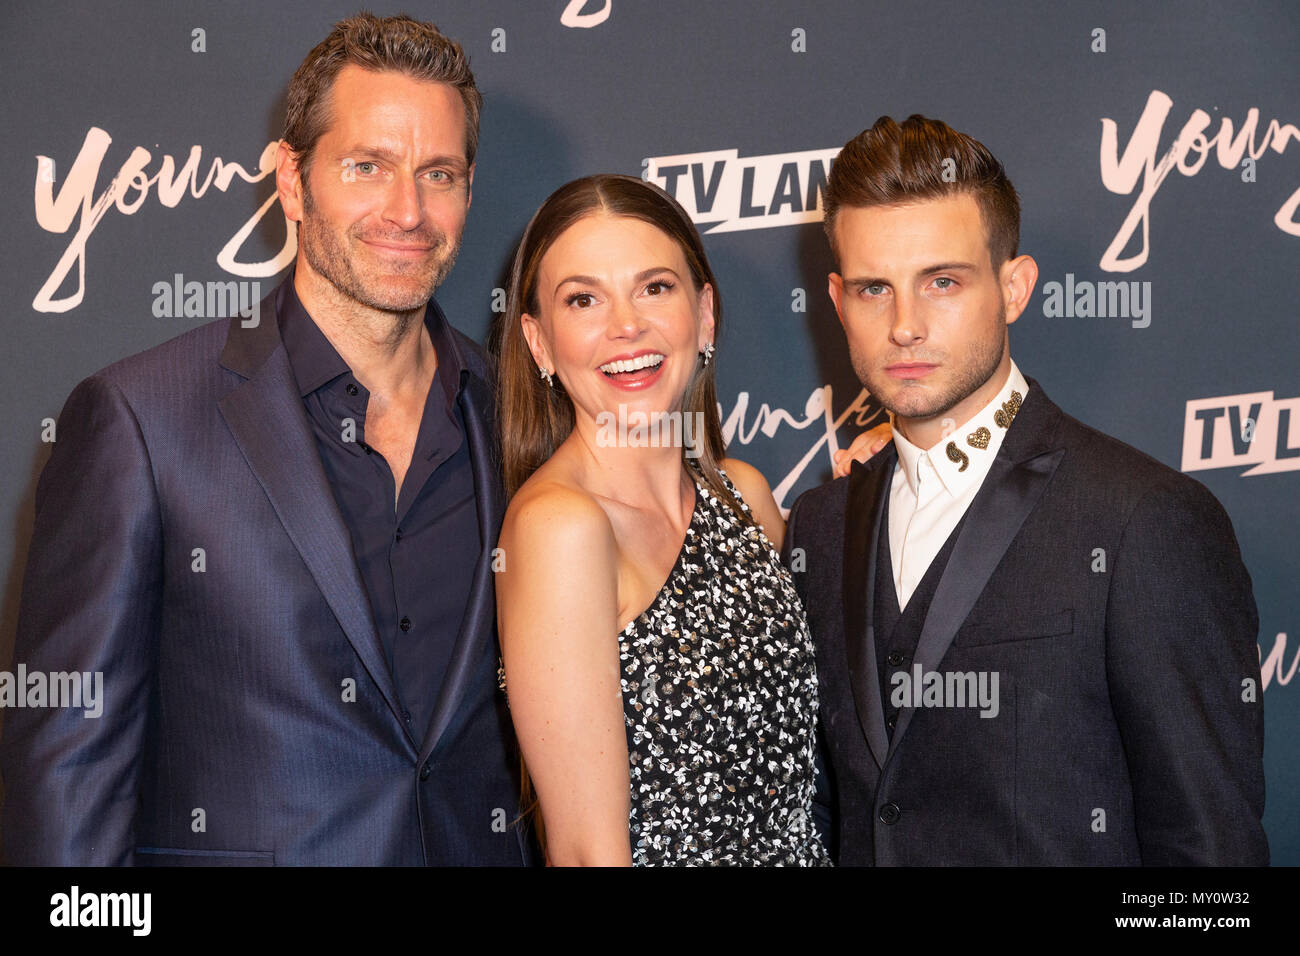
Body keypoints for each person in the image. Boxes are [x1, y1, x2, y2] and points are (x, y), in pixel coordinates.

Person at [1, 14, 535, 866]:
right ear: (292, 181)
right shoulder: (139, 421)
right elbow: (68, 780)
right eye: (368, 166)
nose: (408, 210)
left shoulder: (514, 416)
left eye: (439, 173)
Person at [783, 114, 1268, 865]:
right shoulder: (818, 525)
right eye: (876, 289)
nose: (905, 326)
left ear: (1014, 288)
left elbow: (1210, 866)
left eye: (942, 282)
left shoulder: (1142, 519)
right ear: (839, 300)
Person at [495, 174, 849, 866]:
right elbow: (586, 852)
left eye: (654, 287)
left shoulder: (740, 493)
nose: (626, 325)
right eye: (584, 299)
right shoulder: (560, 528)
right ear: (538, 344)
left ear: (705, 315)